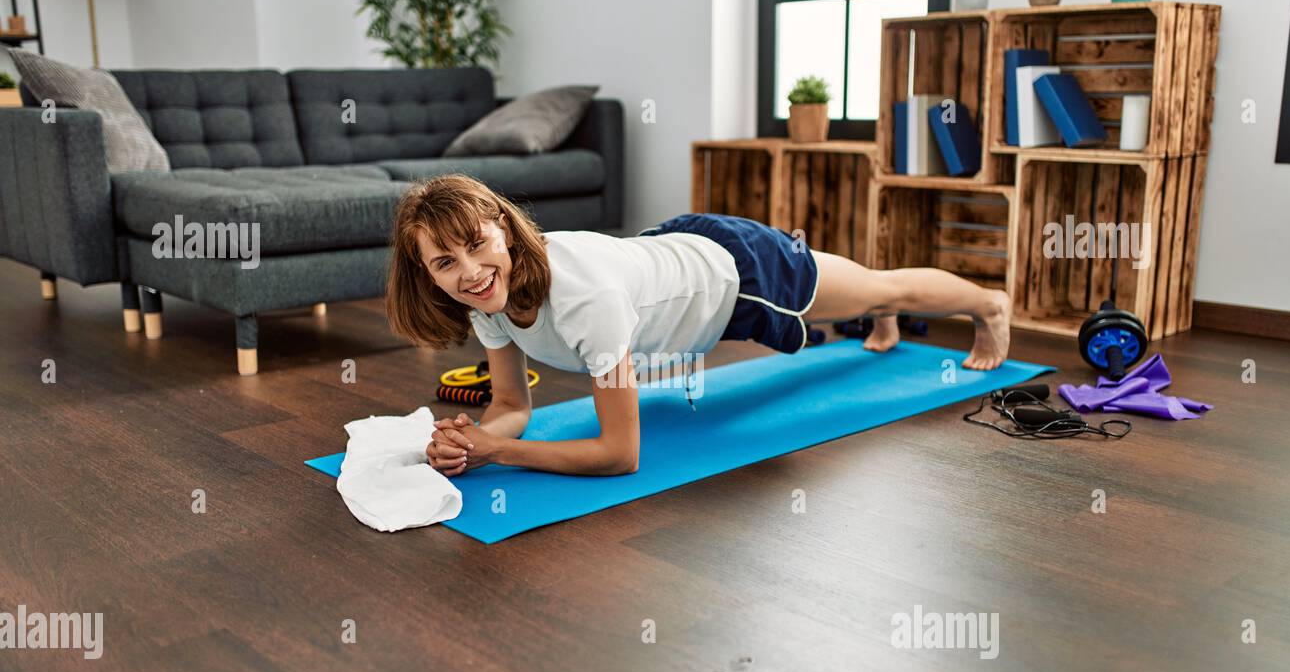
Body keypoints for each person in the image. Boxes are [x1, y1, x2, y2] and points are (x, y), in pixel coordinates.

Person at [386, 174, 1011, 477]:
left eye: (476, 245)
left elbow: (620, 454)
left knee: (883, 284)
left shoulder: (584, 300)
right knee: (870, 294)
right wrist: (475, 442)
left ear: (503, 224)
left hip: (737, 276)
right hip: (672, 249)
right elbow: (510, 403)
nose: (469, 271)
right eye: (446, 261)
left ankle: (988, 303)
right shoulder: (486, 296)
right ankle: (882, 319)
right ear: (426, 272)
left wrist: (502, 449)